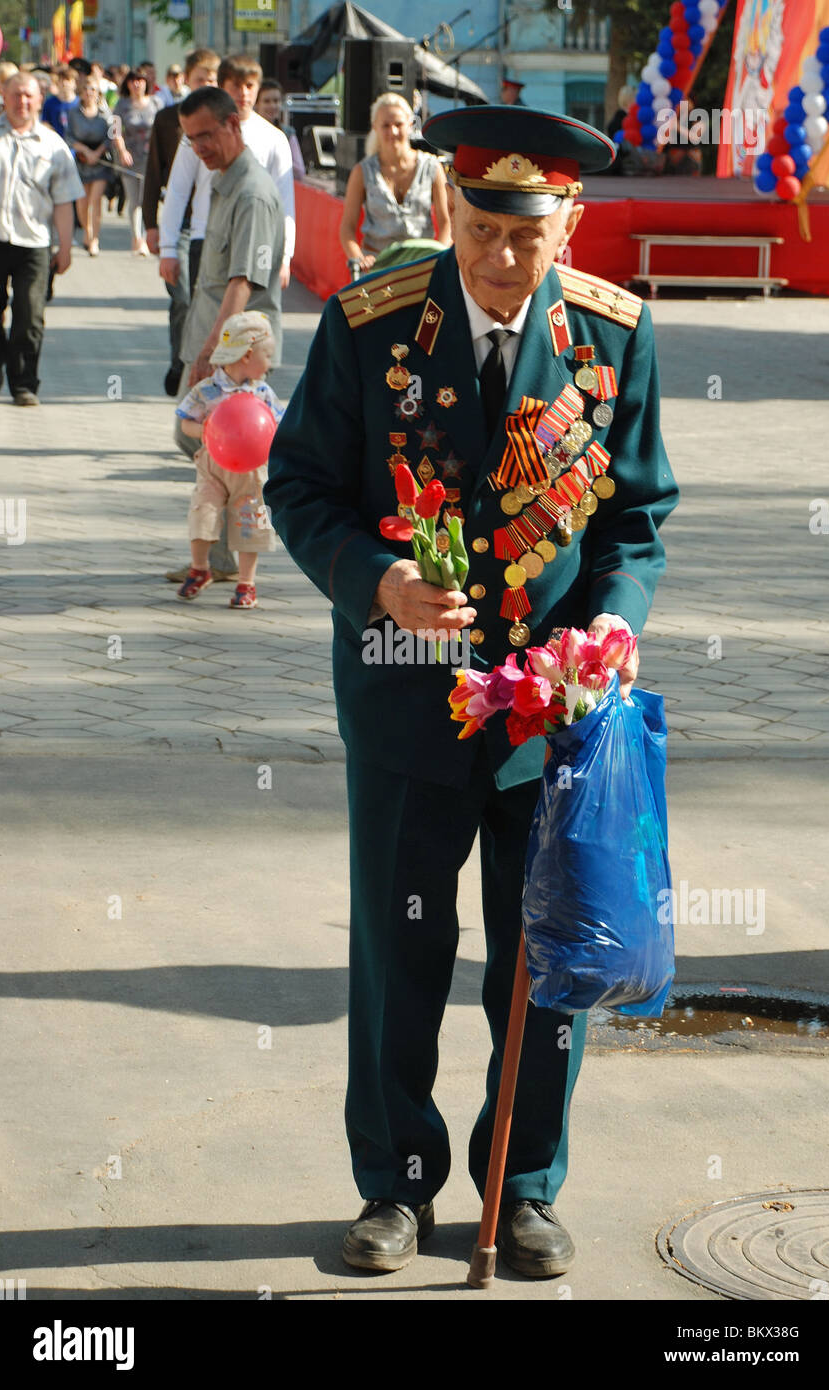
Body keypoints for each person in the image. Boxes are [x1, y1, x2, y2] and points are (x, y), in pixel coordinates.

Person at [265, 105, 679, 1277]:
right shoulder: (369, 326)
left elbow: (636, 515)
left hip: (549, 711)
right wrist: (377, 580)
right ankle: (395, 1185)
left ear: (569, 224)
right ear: (447, 209)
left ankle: (527, 1184)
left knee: (544, 954)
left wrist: (611, 619)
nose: (501, 259)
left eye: (526, 234)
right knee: (398, 952)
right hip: (405, 698)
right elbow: (298, 486)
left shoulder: (613, 338)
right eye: (482, 227)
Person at [173, 86, 284, 581]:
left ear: (233, 123)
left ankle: (236, 562)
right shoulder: (223, 181)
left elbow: (243, 281)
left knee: (224, 450)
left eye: (205, 136)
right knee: (201, 442)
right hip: (215, 342)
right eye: (191, 140)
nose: (199, 148)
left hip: (236, 356)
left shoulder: (253, 192)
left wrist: (216, 355)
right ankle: (219, 558)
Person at [0, 72, 83, 405]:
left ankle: (23, 383)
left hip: (34, 245)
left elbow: (64, 200)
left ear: (39, 100)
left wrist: (65, 247)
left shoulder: (54, 146)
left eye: (29, 96)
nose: (22, 102)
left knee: (30, 315)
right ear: (4, 96)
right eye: (16, 95)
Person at [159, 54, 295, 295]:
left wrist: (285, 257)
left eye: (250, 86)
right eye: (236, 85)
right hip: (205, 238)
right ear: (222, 87)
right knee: (204, 321)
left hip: (256, 243)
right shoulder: (198, 132)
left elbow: (284, 203)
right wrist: (168, 248)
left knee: (249, 325)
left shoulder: (275, 139)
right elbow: (178, 189)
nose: (243, 93)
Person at [174, 311, 283, 608]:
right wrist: (205, 430)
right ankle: (200, 568)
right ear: (247, 355)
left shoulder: (263, 393)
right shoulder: (207, 390)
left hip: (251, 470)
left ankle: (246, 584)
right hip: (212, 465)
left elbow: (277, 426)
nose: (271, 362)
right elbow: (185, 423)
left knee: (250, 523)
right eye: (268, 355)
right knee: (202, 512)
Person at [143, 48, 220, 395]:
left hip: (214, 224)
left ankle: (203, 363)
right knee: (182, 297)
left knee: (209, 299)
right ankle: (179, 359)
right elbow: (154, 173)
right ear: (187, 80)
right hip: (181, 222)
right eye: (201, 79)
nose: (207, 85)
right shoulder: (168, 119)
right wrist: (152, 225)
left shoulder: (224, 122)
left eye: (213, 80)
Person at [339, 92, 451, 274]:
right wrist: (358, 258)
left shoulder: (432, 167)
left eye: (398, 124)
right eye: (385, 125)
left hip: (422, 269)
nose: (393, 131)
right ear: (375, 127)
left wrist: (440, 257)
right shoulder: (362, 172)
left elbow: (447, 223)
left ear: (410, 123)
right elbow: (347, 228)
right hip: (377, 270)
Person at [67, 73, 129, 256]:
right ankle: (86, 232)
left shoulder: (106, 113)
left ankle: (95, 239)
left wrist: (98, 152)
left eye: (92, 89)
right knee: (82, 202)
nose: (89, 93)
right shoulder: (74, 113)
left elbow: (112, 135)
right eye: (86, 89)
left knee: (95, 200)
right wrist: (85, 152)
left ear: (98, 92)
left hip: (101, 160)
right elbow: (69, 137)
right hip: (81, 160)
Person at [113, 68, 156, 253]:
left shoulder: (156, 103)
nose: (137, 84)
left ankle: (145, 238)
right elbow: (114, 131)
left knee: (146, 199)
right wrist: (122, 150)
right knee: (134, 200)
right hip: (129, 159)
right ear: (128, 84)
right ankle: (137, 238)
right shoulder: (121, 105)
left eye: (140, 80)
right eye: (133, 81)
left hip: (150, 159)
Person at [256, 78, 305, 181]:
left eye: (276, 101)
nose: (272, 106)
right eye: (267, 101)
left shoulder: (288, 134)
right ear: (256, 104)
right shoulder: (248, 132)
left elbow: (299, 172)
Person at [41, 63, 78, 140]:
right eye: (62, 80)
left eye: (68, 80)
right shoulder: (50, 103)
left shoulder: (80, 103)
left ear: (74, 83)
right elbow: (45, 123)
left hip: (77, 145)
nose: (65, 83)